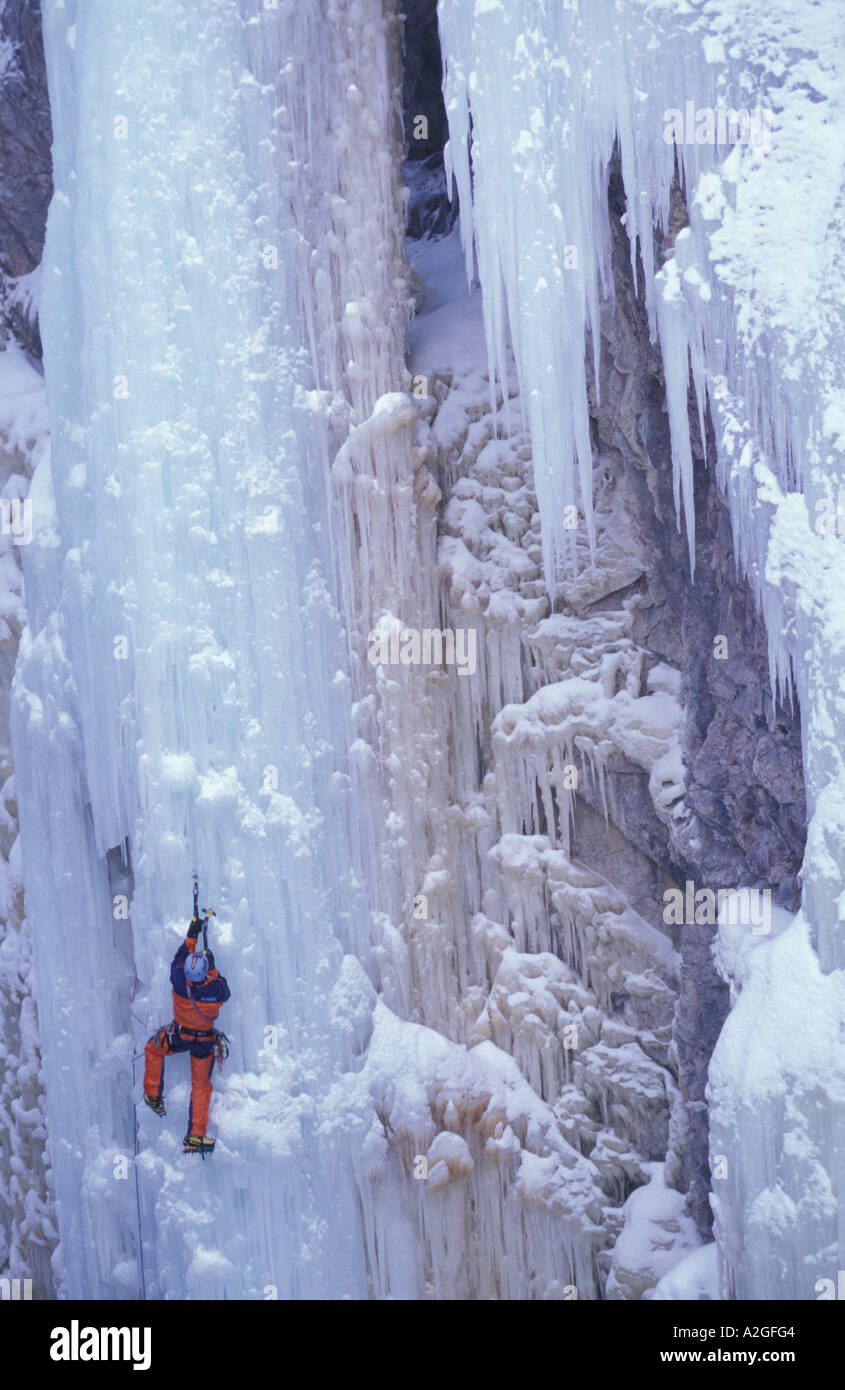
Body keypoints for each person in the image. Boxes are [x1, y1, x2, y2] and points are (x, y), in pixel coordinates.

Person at [143, 915, 231, 1154]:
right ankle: (195, 1136)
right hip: (203, 1042)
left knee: (153, 1048)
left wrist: (191, 935)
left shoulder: (179, 981)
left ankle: (152, 1095)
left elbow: (178, 960)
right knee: (200, 1086)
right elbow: (225, 989)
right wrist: (211, 966)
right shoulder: (214, 989)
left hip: (179, 1036)